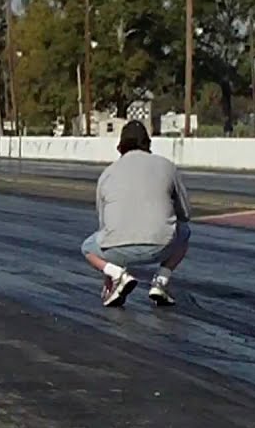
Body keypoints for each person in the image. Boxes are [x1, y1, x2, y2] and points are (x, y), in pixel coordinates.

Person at [81, 120, 192, 307]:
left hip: (117, 251)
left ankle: (117, 275)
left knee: (87, 248)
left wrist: (108, 272)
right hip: (161, 246)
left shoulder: (107, 174)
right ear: (148, 143)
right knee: (185, 231)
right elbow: (185, 214)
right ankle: (160, 281)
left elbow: (104, 226)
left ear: (120, 147)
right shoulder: (167, 166)